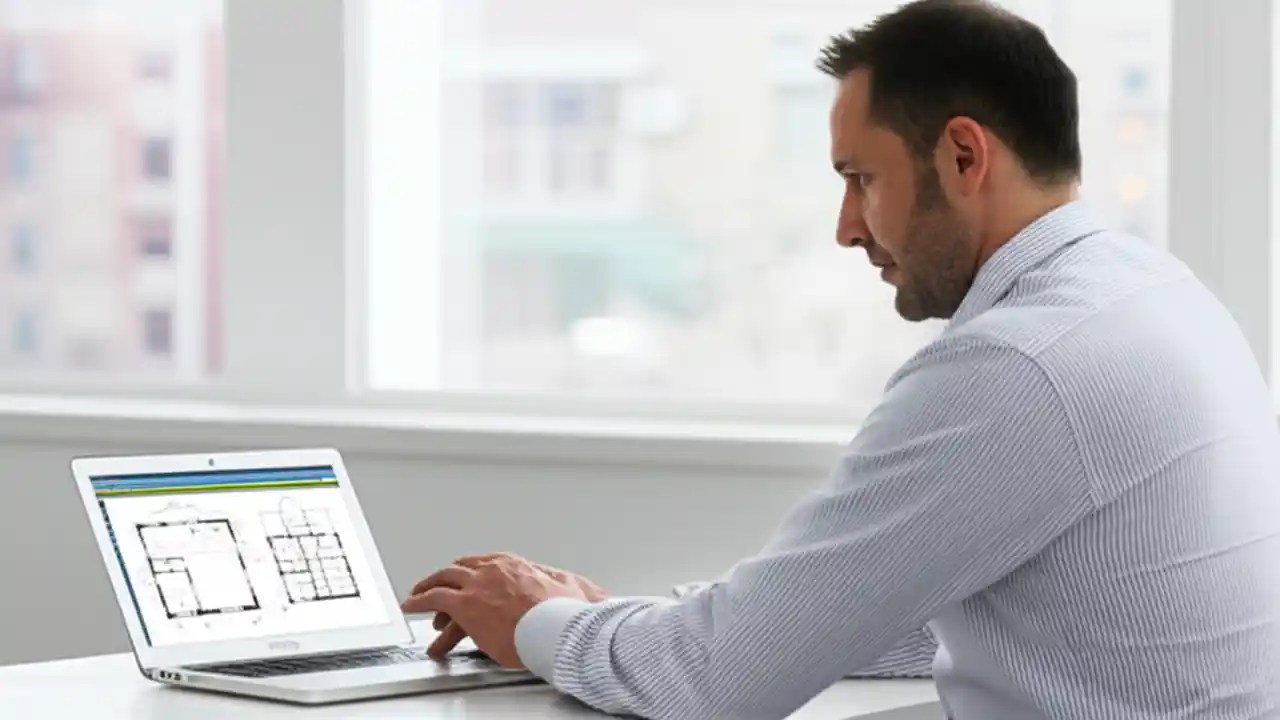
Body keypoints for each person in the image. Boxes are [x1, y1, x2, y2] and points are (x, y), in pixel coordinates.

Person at [401, 0, 1280, 717]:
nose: (846, 227)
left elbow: (713, 683)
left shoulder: (1017, 365)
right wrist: (628, 623)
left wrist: (536, 622)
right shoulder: (1159, 297)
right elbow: (928, 605)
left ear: (963, 156)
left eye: (861, 178)